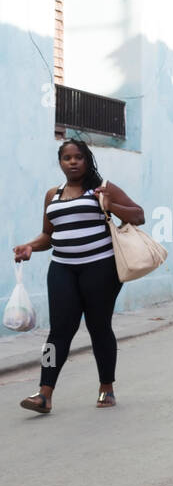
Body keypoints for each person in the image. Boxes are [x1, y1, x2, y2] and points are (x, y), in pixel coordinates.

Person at [12, 140, 144, 414]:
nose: (72, 162)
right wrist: (30, 247)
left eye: (78, 157)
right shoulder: (53, 195)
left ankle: (106, 387)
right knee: (58, 332)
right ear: (60, 163)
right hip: (62, 269)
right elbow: (49, 235)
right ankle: (44, 393)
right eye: (66, 158)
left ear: (87, 160)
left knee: (99, 327)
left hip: (101, 268)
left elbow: (138, 215)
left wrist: (110, 206)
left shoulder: (102, 188)